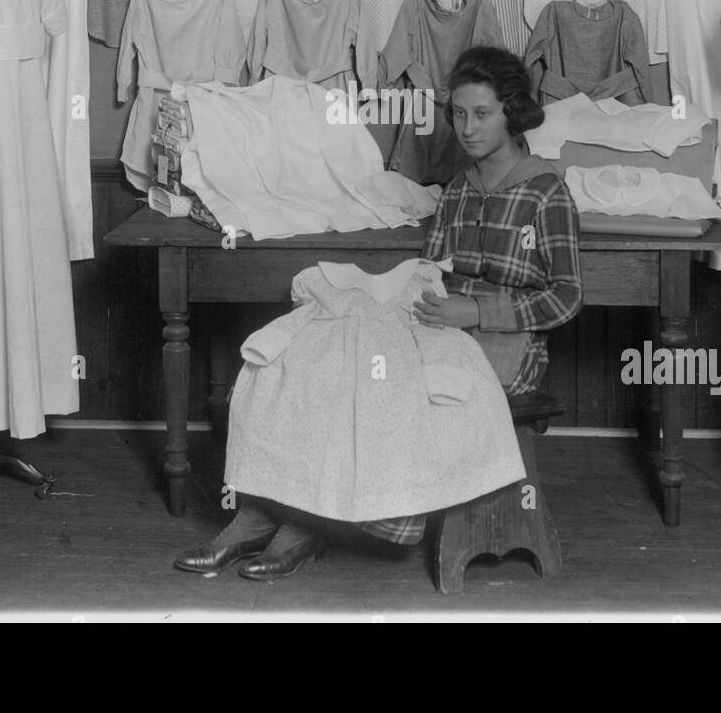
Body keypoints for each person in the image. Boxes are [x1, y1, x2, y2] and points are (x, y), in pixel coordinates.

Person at [174, 46, 583, 580]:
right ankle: (261, 512)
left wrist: (477, 311)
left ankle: (304, 525)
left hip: (510, 348)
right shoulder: (458, 190)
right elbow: (430, 269)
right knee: (320, 361)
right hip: (443, 326)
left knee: (377, 387)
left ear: (513, 112)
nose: (466, 128)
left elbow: (567, 296)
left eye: (482, 114)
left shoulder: (546, 192)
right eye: (458, 114)